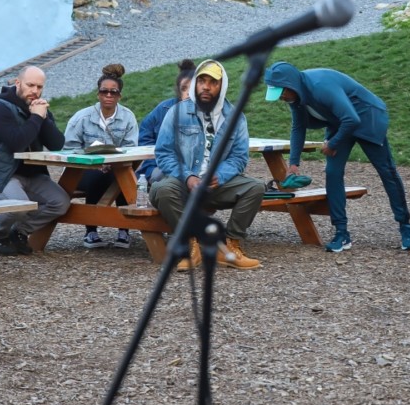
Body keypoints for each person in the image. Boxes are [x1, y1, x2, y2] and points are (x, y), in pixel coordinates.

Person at [264, 61, 410, 252]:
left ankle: (406, 228)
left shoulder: (320, 87)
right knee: (333, 172)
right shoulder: (296, 97)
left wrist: (333, 143)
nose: (281, 98)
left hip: (366, 117)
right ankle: (341, 233)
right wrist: (293, 164)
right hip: (340, 122)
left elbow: (352, 118)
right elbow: (298, 127)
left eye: (282, 93)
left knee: (386, 171)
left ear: (291, 85)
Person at [150, 59, 264, 271]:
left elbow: (239, 157)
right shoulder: (176, 112)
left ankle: (230, 245)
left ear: (222, 86)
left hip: (217, 185)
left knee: (256, 187)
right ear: (195, 84)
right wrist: (188, 176)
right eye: (201, 80)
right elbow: (164, 153)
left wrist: (219, 176)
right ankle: (192, 244)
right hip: (185, 183)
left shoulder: (235, 117)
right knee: (161, 189)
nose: (206, 86)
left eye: (213, 81)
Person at [0, 66, 70, 256]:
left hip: (33, 174)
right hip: (4, 175)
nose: (35, 91)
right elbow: (17, 143)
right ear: (17, 83)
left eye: (39, 87)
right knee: (18, 206)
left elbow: (57, 144)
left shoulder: (38, 107)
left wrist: (43, 118)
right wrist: (36, 117)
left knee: (61, 202)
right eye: (30, 85)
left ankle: (20, 232)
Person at [63, 64, 138, 249]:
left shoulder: (128, 117)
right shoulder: (81, 118)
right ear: (98, 94)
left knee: (122, 177)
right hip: (82, 171)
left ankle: (124, 230)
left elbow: (132, 148)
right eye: (105, 92)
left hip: (115, 168)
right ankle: (91, 230)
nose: (109, 96)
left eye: (113, 92)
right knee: (97, 176)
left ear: (120, 95)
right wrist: (92, 163)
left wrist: (112, 162)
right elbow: (68, 148)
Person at [136, 59, 196, 183]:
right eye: (184, 88)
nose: (189, 93)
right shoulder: (163, 109)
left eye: (193, 88)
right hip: (163, 167)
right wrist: (156, 161)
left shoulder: (209, 112)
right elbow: (145, 137)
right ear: (179, 91)